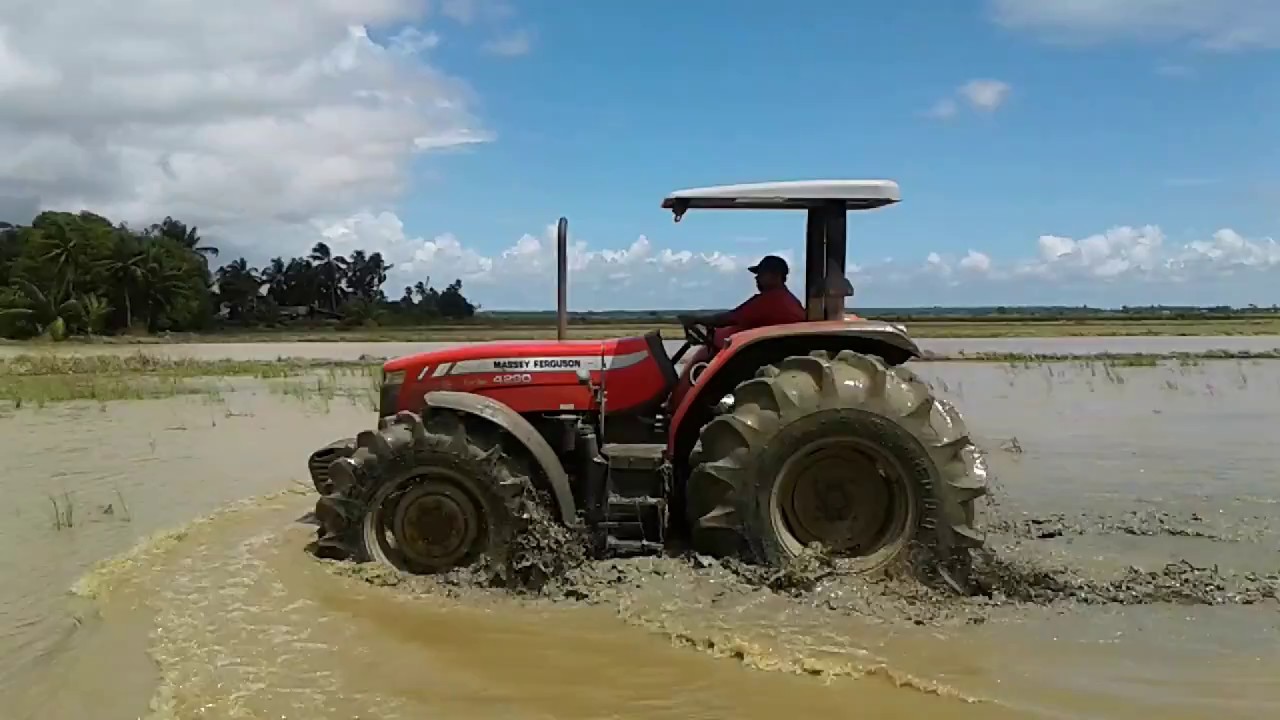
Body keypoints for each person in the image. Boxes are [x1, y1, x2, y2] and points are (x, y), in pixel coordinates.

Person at [677, 254, 805, 347]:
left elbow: (728, 318)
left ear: (776, 275)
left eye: (760, 274)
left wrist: (696, 319)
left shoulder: (769, 301)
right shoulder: (790, 300)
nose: (756, 278)